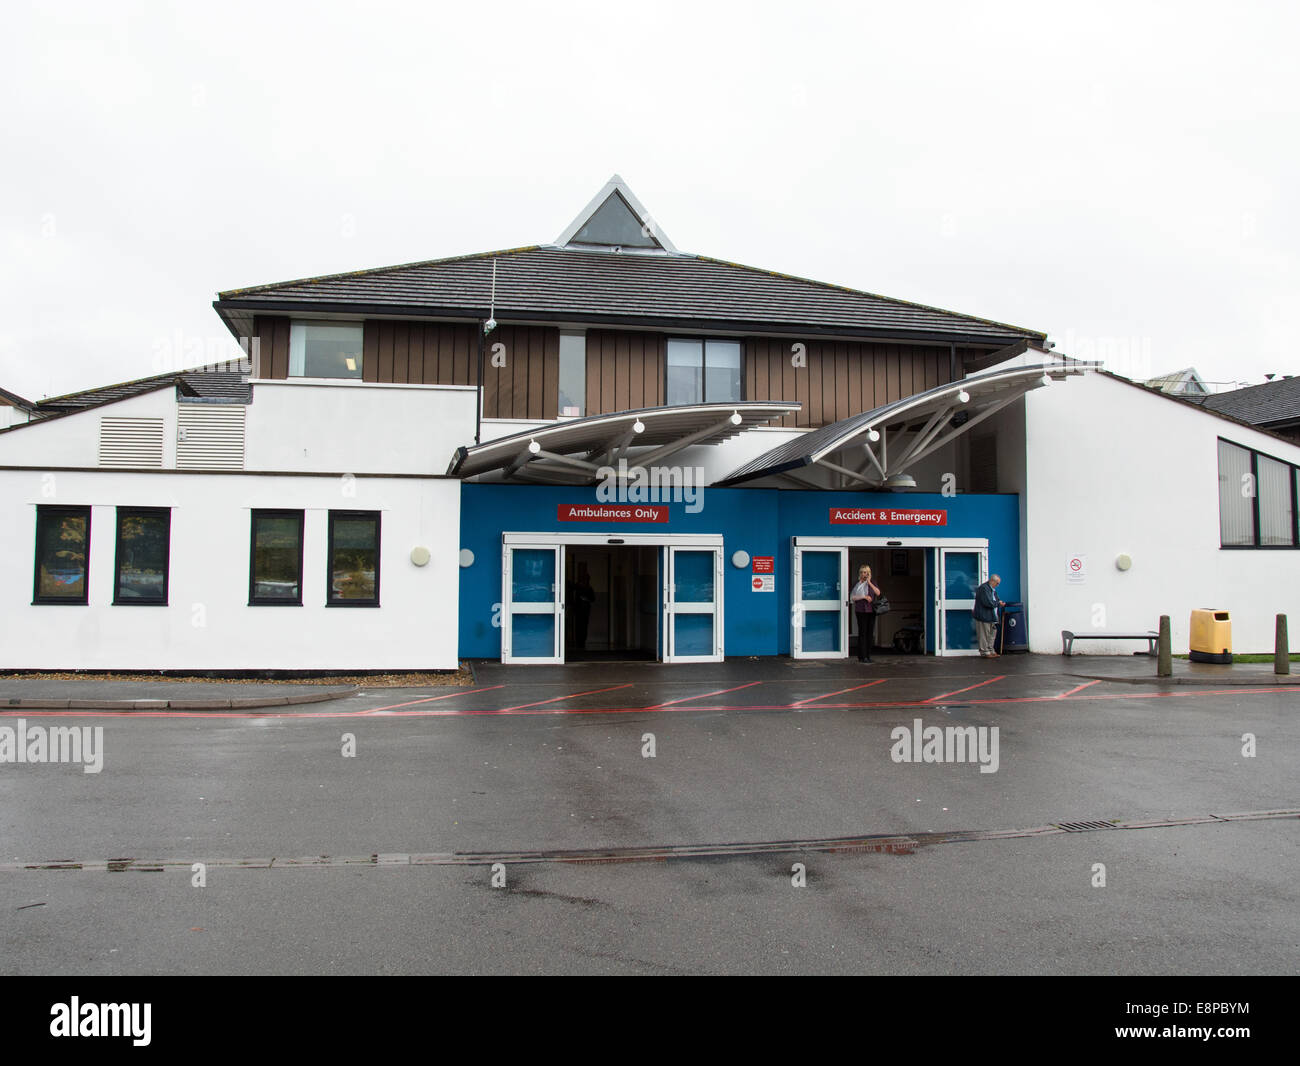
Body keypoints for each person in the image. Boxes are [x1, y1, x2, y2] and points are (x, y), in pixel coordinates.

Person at [849, 564, 881, 663]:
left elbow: (878, 593)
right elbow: (852, 597)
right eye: (862, 572)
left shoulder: (873, 582)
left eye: (866, 572)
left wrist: (869, 582)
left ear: (869, 573)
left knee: (869, 633)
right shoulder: (857, 584)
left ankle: (868, 655)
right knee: (862, 633)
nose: (864, 574)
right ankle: (861, 656)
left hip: (871, 610)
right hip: (860, 610)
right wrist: (863, 597)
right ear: (860, 573)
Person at [974, 573, 1005, 657]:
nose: (998, 585)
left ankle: (991, 650)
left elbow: (995, 600)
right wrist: (998, 603)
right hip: (984, 615)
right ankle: (985, 652)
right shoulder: (984, 588)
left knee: (992, 634)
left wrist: (999, 602)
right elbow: (988, 603)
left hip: (992, 616)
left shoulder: (992, 589)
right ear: (992, 580)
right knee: (984, 635)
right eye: (997, 583)